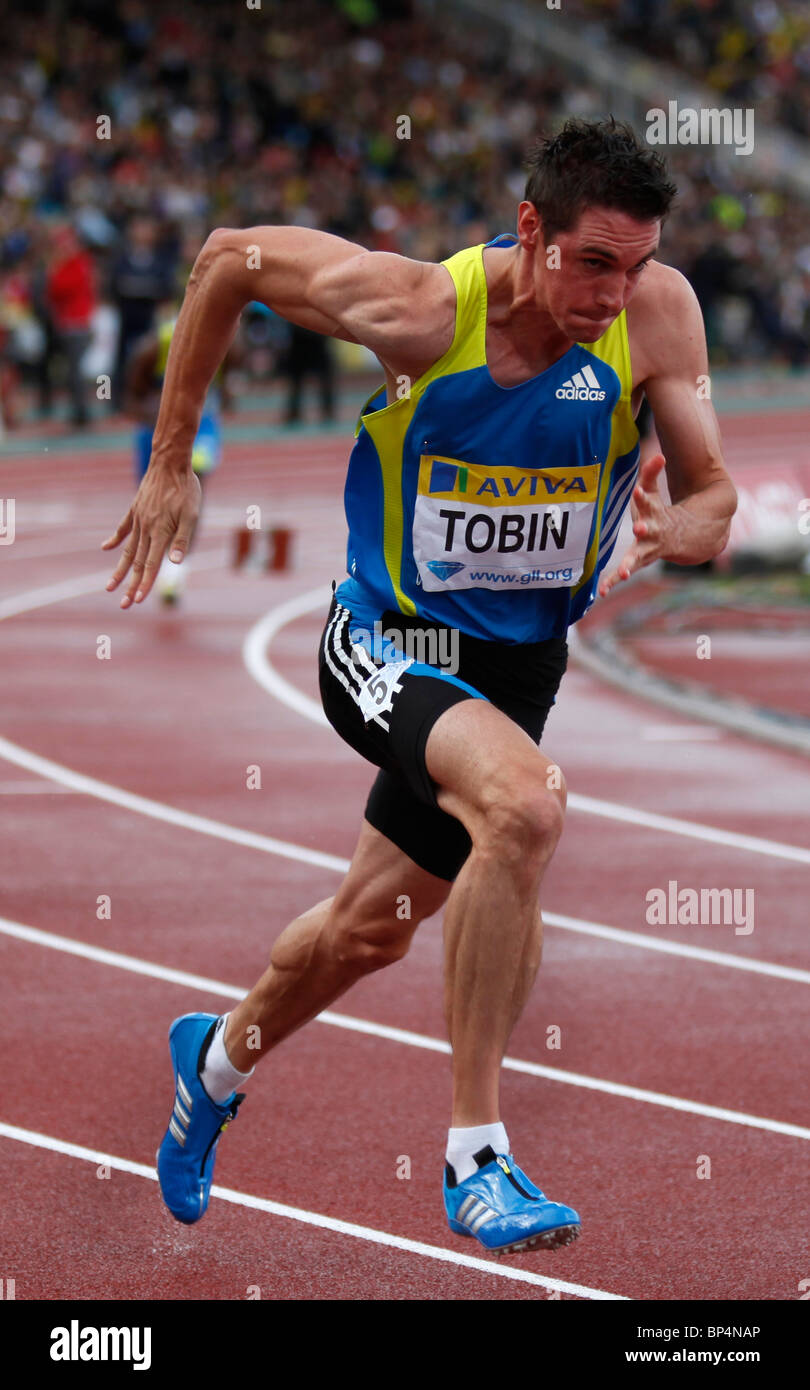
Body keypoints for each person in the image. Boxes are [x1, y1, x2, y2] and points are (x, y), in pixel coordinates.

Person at [102, 118, 737, 1254]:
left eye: (635, 264)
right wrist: (169, 464)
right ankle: (476, 1157)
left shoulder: (657, 313)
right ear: (530, 232)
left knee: (367, 930)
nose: (615, 291)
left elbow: (712, 493)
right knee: (527, 805)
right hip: (392, 645)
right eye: (594, 261)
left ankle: (213, 1062)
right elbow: (223, 262)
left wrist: (676, 527)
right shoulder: (419, 310)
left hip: (517, 666)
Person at [123, 307, 235, 604]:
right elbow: (129, 398)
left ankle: (175, 566)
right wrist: (154, 412)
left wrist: (222, 394)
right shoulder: (154, 347)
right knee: (154, 499)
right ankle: (160, 557)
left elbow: (230, 380)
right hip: (157, 430)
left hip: (202, 427)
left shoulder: (226, 343)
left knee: (193, 488)